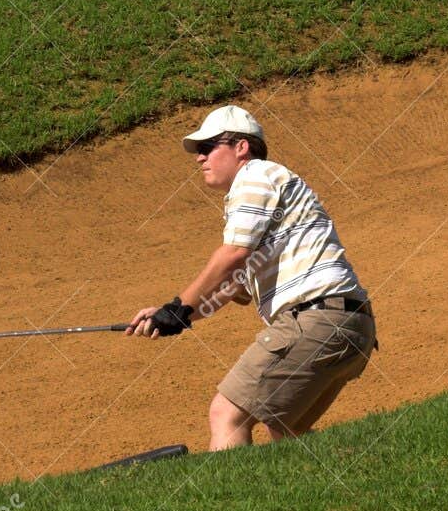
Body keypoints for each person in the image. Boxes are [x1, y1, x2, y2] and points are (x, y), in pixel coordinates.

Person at [126, 105, 377, 450]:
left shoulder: (256, 176)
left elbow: (233, 255)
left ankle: (226, 502)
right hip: (350, 323)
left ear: (241, 147)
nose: (199, 158)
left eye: (208, 147)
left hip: (316, 318)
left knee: (227, 413)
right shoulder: (268, 194)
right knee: (286, 432)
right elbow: (231, 289)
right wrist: (176, 317)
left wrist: (179, 305)